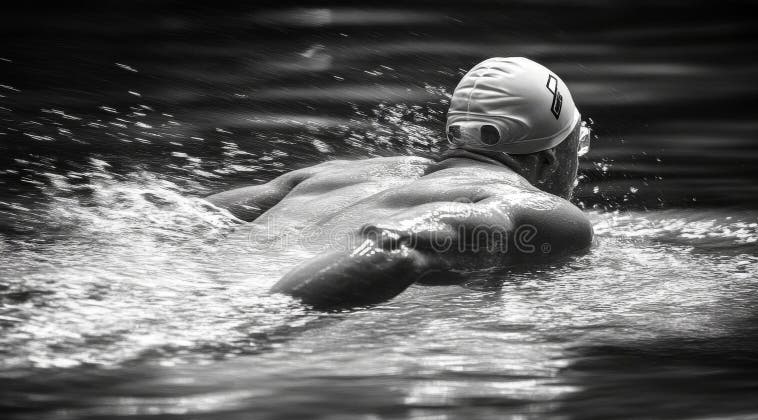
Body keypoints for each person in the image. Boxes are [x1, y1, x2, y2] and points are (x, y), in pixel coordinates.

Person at [207, 57, 594, 307]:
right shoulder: (537, 210)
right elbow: (396, 244)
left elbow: (195, 216)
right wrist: (259, 324)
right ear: (549, 159)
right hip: (255, 311)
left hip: (209, 281)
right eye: (579, 145)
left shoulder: (332, 175)